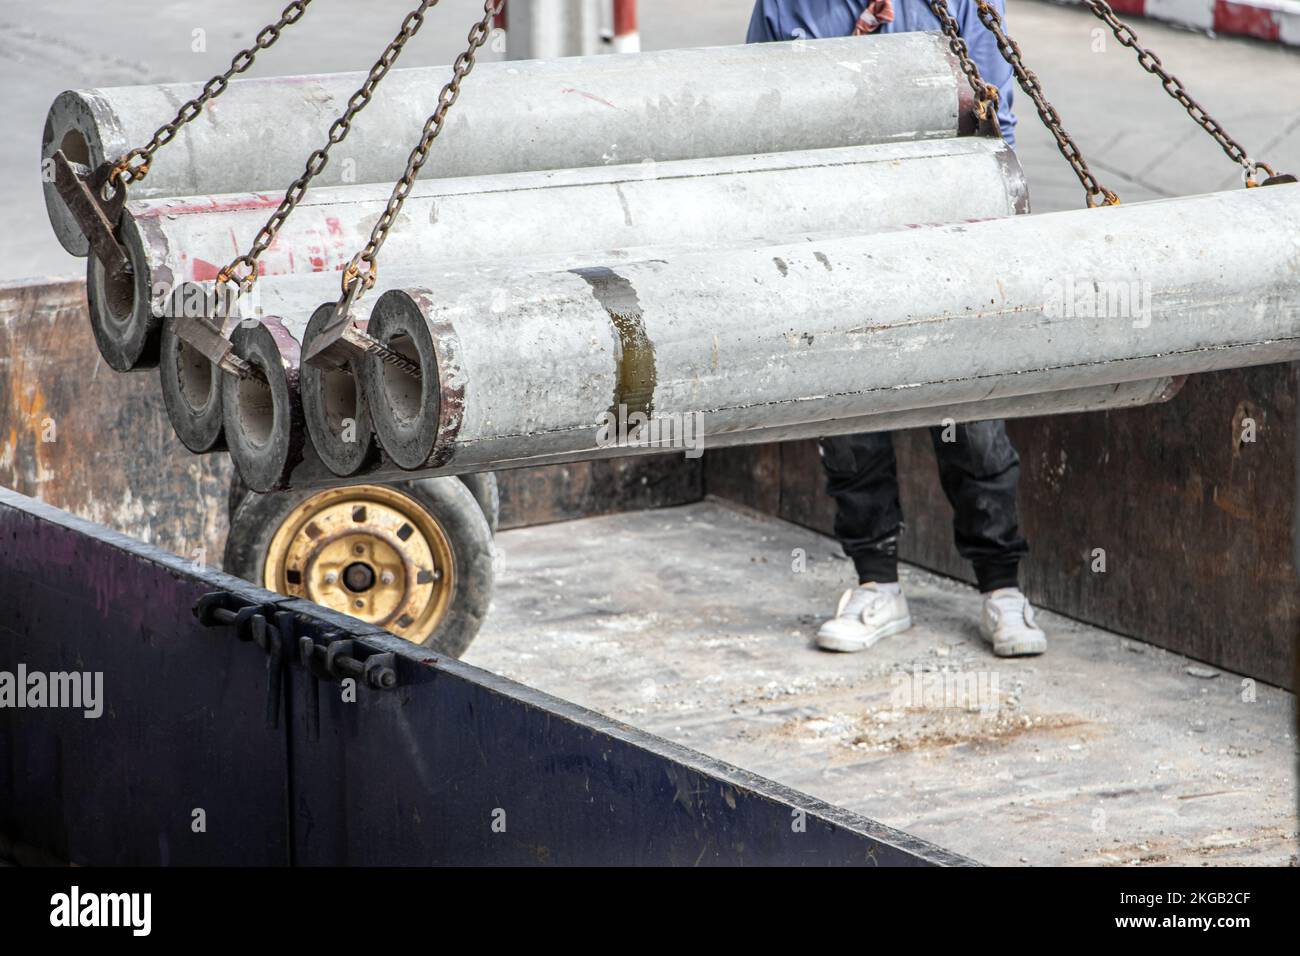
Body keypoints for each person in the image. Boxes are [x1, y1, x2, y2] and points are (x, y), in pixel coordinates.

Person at [747, 0, 1047, 658]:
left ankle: (1001, 588)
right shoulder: (787, 7)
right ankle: (876, 584)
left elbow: (998, 122)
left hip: (942, 231)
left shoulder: (959, 4)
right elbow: (753, 119)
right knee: (850, 417)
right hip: (835, 239)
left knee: (971, 415)